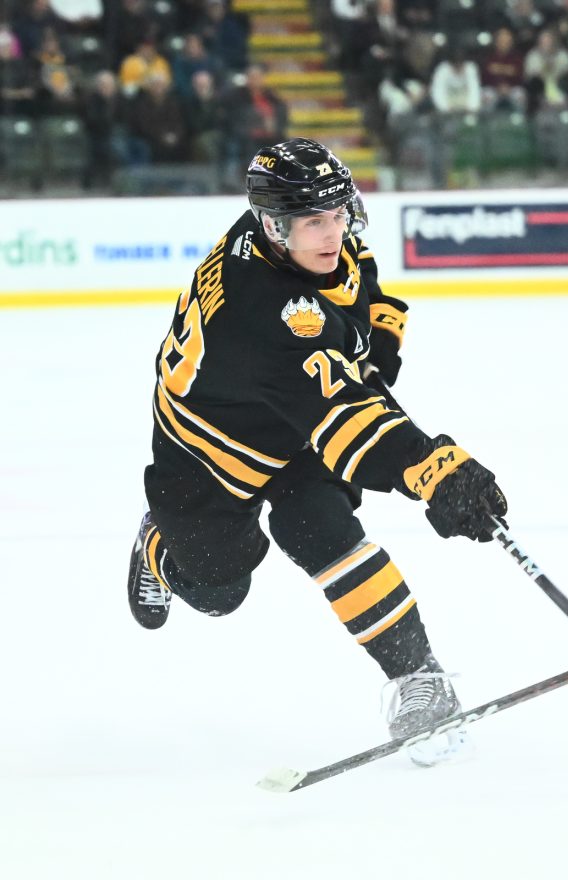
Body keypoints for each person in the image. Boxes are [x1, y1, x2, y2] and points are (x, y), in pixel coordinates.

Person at [124, 138, 507, 764]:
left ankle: (419, 678)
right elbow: (345, 422)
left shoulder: (302, 235)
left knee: (320, 527)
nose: (333, 233)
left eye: (339, 214)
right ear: (275, 227)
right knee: (218, 592)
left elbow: (359, 278)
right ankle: (157, 545)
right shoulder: (262, 311)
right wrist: (433, 469)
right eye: (315, 223)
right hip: (210, 447)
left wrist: (377, 343)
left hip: (294, 415)